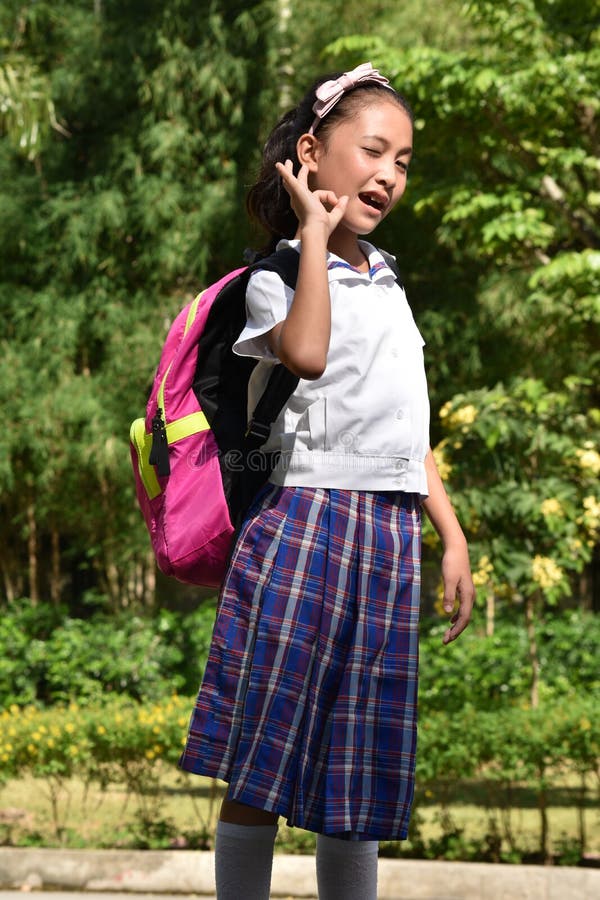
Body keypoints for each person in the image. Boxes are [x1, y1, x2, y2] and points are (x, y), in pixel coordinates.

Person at [180, 62, 475, 900]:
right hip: (306, 525)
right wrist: (313, 237)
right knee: (262, 765)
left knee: (359, 783)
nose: (389, 175)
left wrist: (449, 534)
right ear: (311, 153)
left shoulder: (388, 281)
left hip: (387, 538)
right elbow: (305, 353)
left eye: (405, 161)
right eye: (373, 151)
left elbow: (406, 429)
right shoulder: (277, 275)